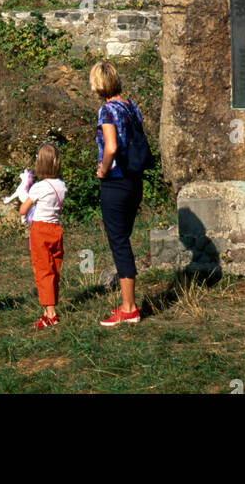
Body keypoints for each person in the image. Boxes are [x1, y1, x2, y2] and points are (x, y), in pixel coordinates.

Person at [91, 60, 144, 327]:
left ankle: (129, 307)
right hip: (136, 181)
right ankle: (129, 303)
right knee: (124, 240)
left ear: (99, 85)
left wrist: (103, 169)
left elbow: (111, 146)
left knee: (119, 243)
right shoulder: (131, 107)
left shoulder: (107, 111)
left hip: (116, 183)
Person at [20, 142, 66, 329]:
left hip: (40, 231)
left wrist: (25, 202)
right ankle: (49, 309)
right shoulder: (62, 185)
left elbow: (23, 209)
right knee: (54, 270)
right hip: (56, 230)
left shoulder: (38, 187)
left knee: (42, 270)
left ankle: (51, 313)